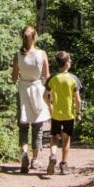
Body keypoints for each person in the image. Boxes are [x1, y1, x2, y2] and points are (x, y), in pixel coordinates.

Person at [12, 25, 50, 173]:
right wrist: (49, 94)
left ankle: (24, 154)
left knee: (23, 125)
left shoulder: (17, 55)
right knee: (37, 126)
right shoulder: (42, 54)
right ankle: (35, 160)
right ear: (35, 38)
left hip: (23, 90)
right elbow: (47, 77)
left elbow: (14, 78)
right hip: (38, 90)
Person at [43, 50, 82, 176]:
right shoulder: (73, 79)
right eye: (69, 60)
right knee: (66, 139)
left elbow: (45, 96)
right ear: (66, 64)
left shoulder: (52, 78)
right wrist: (78, 113)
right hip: (68, 114)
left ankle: (53, 155)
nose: (70, 62)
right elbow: (78, 99)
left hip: (56, 114)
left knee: (54, 137)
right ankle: (64, 164)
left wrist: (50, 107)